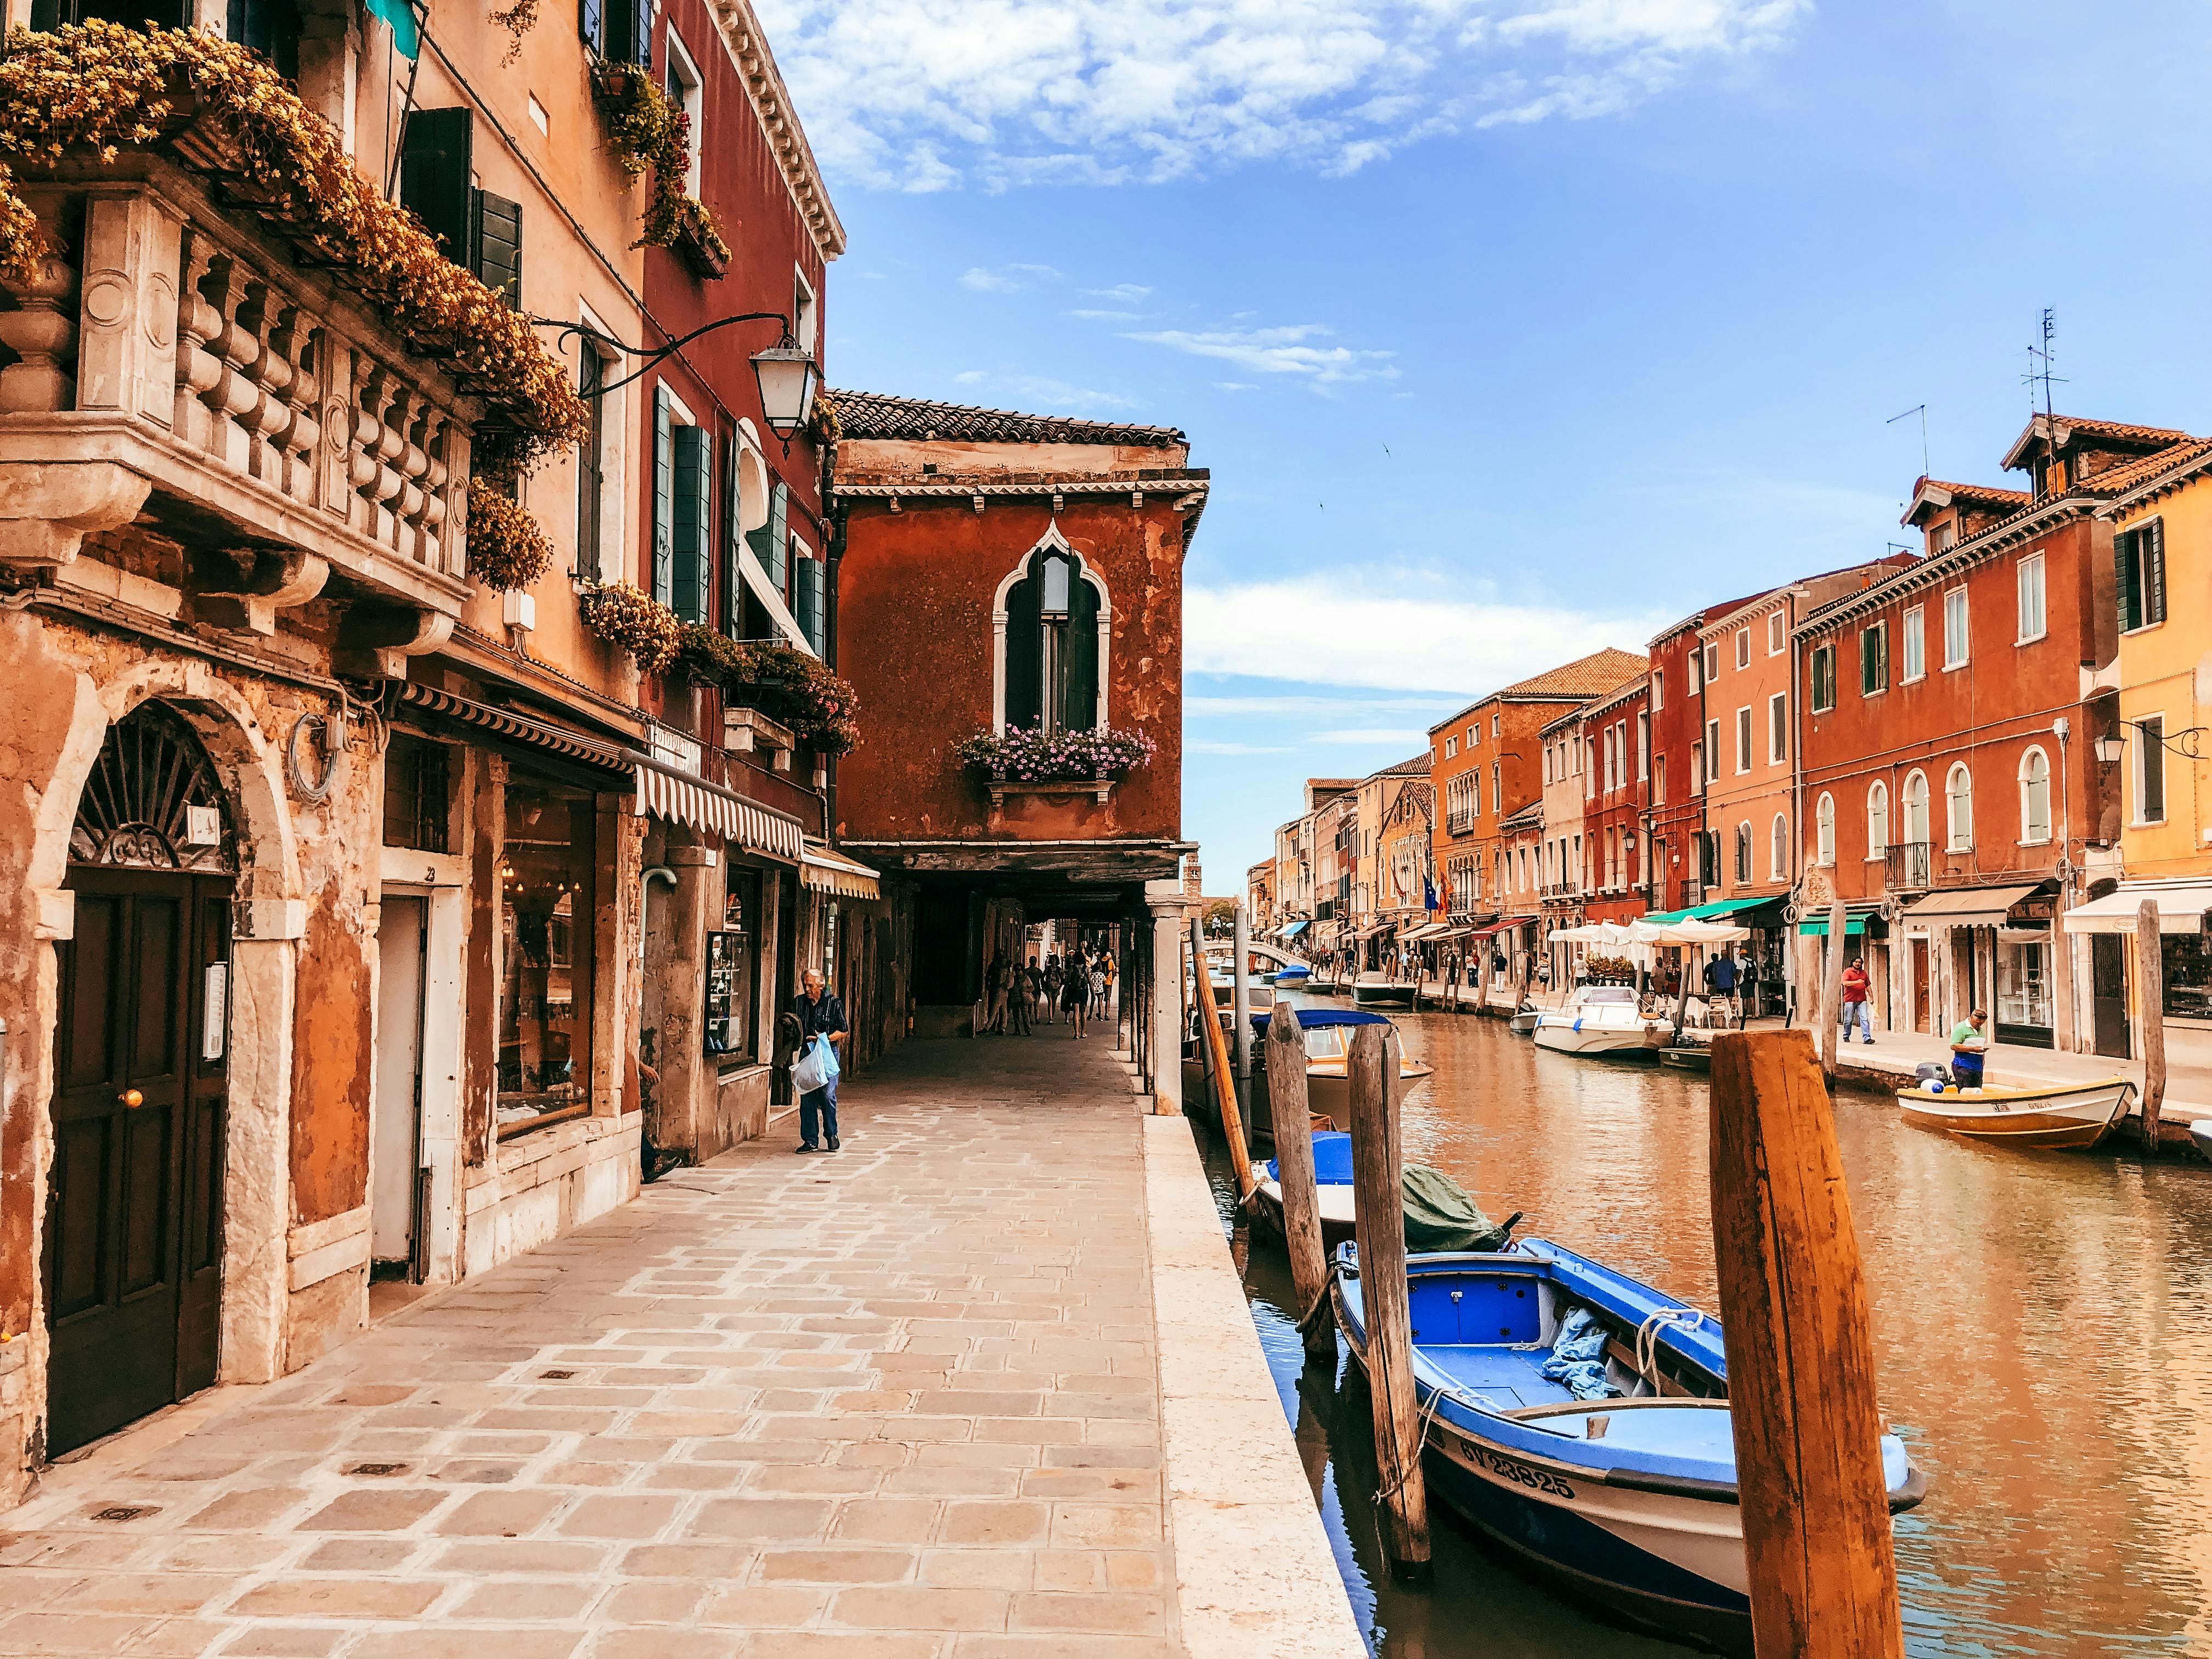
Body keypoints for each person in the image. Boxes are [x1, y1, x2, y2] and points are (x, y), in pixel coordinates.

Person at [790, 968, 847, 1153]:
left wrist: (824, 1038)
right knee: (807, 1097)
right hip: (807, 1053)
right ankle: (810, 1140)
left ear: (821, 985)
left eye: (811, 985)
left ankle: (831, 1134)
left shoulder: (833, 1003)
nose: (807, 989)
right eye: (805, 985)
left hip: (827, 1053)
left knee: (827, 1095)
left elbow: (843, 1030)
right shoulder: (799, 1003)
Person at [1949, 1007, 1990, 1090]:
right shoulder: (1961, 1028)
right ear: (1972, 1017)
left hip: (1977, 1066)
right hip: (1963, 1065)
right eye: (1977, 1023)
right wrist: (1973, 1049)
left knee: (1977, 1090)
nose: (1979, 1025)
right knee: (1966, 1090)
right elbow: (1954, 1046)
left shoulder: (1981, 1030)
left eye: (1981, 1024)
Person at [1839, 956, 1873, 1045]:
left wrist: (1871, 997)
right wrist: (1856, 982)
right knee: (1848, 1019)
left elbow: (1868, 986)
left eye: (1860, 962)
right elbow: (1844, 983)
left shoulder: (1864, 973)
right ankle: (1846, 1035)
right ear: (1853, 962)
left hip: (1862, 1000)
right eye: (1856, 962)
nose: (1858, 964)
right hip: (1850, 999)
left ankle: (1867, 1038)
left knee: (1864, 1018)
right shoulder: (1848, 972)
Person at [1703, 949, 1739, 1028]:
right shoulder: (1731, 963)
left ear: (1721, 955)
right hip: (1730, 984)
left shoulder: (1717, 964)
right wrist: (1737, 982)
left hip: (1720, 985)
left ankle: (1721, 1015)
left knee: (1720, 1000)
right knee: (1729, 999)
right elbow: (1735, 974)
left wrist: (1716, 982)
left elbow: (1714, 974)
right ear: (1728, 954)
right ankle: (1728, 1015)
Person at [1062, 950, 1090, 1036]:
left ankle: (1076, 1033)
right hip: (1084, 991)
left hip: (1074, 991)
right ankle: (1083, 1032)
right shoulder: (1086, 969)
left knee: (1076, 1013)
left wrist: (1064, 992)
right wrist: (1093, 992)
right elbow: (1090, 982)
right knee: (1083, 1012)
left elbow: (1068, 981)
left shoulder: (1072, 969)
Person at [983, 950, 1009, 1035]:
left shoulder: (996, 966)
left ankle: (988, 1027)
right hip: (1003, 990)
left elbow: (989, 976)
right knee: (1003, 1010)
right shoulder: (1006, 967)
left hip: (998, 989)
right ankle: (1002, 1027)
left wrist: (988, 985)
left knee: (994, 1009)